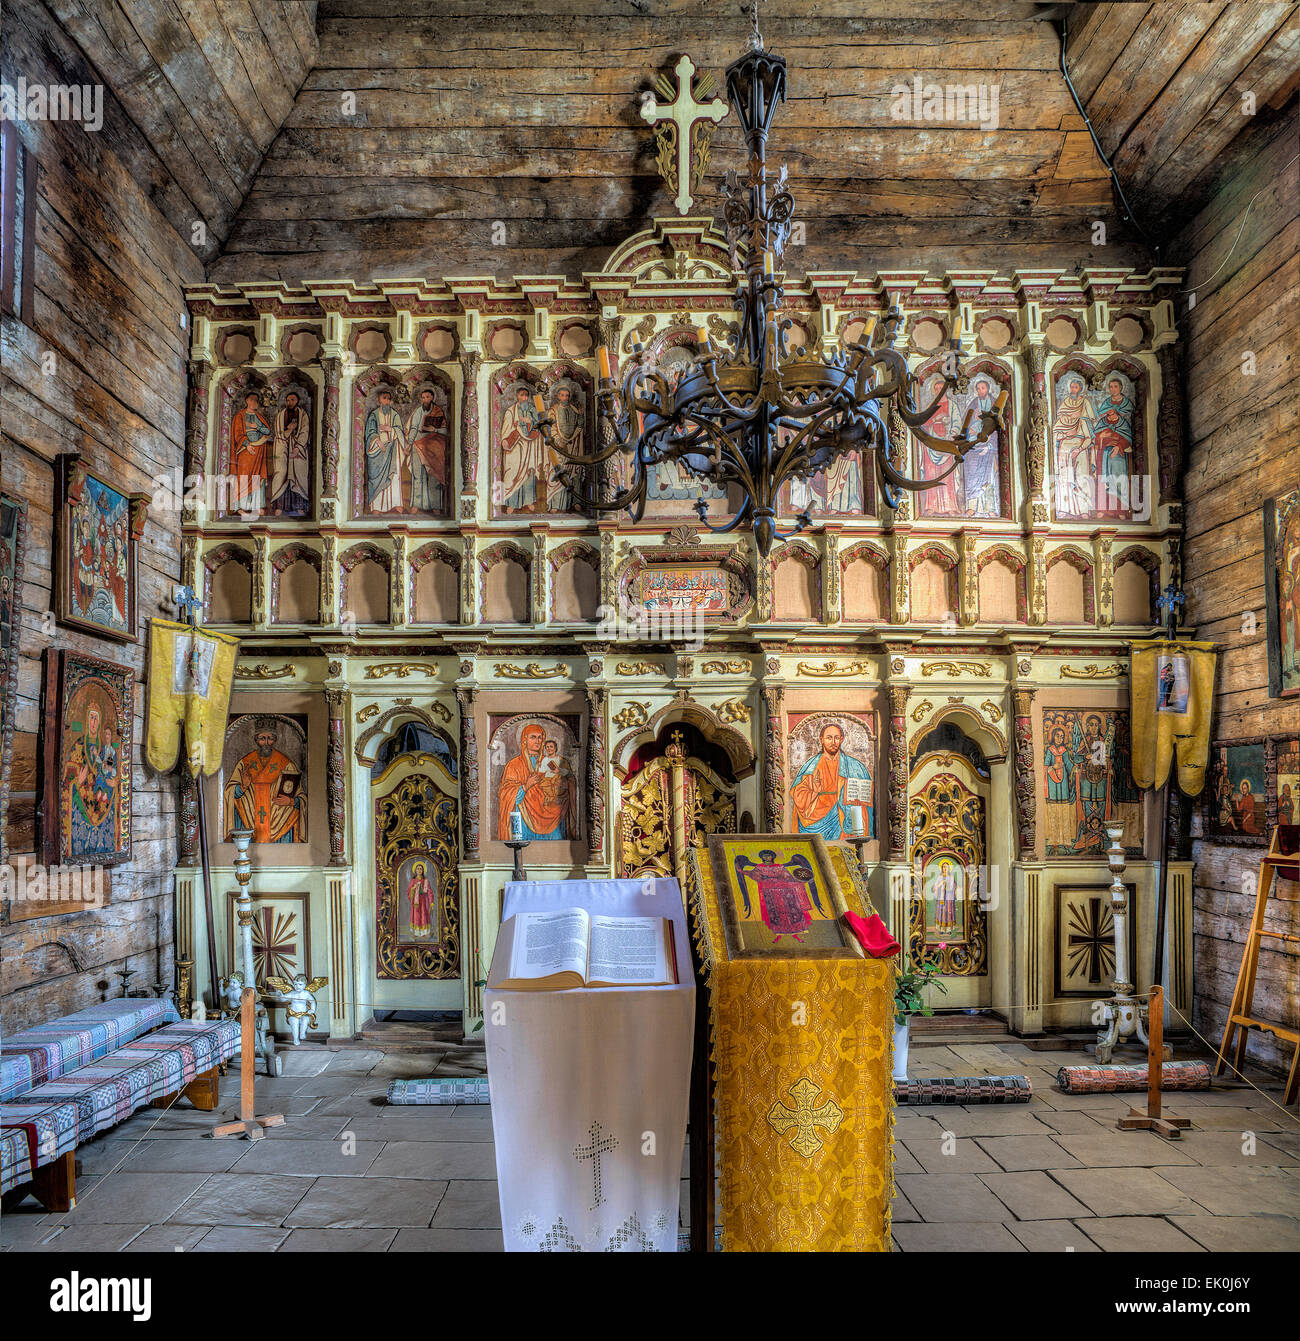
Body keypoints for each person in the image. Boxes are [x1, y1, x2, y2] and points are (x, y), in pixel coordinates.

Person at [223, 718, 304, 843]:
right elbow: (229, 793)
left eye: (270, 738)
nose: (266, 742)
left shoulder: (286, 764)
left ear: (275, 740)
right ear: (256, 740)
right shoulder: (245, 764)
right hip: (249, 822)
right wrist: (243, 787)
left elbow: (302, 798)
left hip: (280, 825)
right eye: (262, 738)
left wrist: (291, 801)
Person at [791, 721, 873, 839]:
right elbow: (798, 795)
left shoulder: (855, 766)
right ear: (821, 739)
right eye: (829, 738)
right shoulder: (811, 766)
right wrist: (814, 792)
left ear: (842, 739)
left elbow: (865, 799)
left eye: (836, 738)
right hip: (815, 819)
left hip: (843, 817)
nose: (833, 742)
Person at [363, 387, 405, 513]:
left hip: (392, 449)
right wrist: (377, 441)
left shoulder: (395, 415)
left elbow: (400, 432)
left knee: (394, 476)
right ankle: (376, 506)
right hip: (377, 449)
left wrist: (390, 429)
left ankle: (396, 503)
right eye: (384, 398)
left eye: (388, 399)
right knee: (375, 475)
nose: (386, 401)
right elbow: (369, 432)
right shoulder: (374, 415)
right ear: (378, 400)